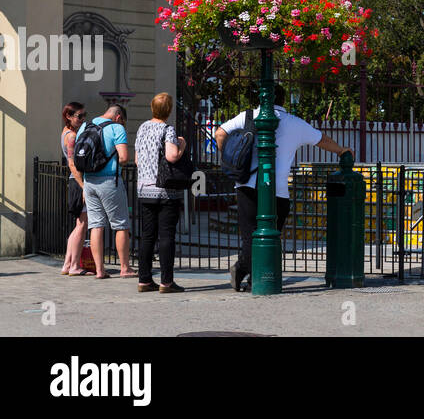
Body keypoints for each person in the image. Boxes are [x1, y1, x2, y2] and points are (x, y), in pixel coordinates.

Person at [215, 85, 351, 292]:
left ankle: (246, 271)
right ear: (283, 100)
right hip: (278, 190)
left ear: (261, 97)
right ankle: (251, 275)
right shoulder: (295, 124)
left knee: (249, 235)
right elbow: (321, 140)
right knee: (272, 235)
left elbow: (220, 132)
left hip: (246, 185)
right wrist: (341, 151)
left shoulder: (249, 116)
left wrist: (230, 159)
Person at [134, 92, 187, 293]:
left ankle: (144, 279)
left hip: (144, 189)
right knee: (166, 236)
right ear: (169, 110)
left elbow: (138, 160)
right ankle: (166, 281)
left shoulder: (142, 128)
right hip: (165, 190)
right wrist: (182, 145)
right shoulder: (168, 129)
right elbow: (172, 156)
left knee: (147, 236)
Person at [82, 103, 135, 279]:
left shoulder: (86, 125)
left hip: (88, 181)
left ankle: (99, 270)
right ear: (119, 117)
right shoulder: (116, 128)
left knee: (96, 225)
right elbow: (124, 157)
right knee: (121, 224)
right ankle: (125, 268)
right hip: (109, 181)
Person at [59, 102, 90, 276]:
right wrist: (83, 186)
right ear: (69, 117)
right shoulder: (71, 136)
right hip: (77, 182)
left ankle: (67, 264)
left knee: (79, 225)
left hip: (75, 182)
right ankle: (74, 266)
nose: (83, 119)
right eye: (79, 116)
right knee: (82, 224)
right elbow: (72, 163)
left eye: (84, 115)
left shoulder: (68, 133)